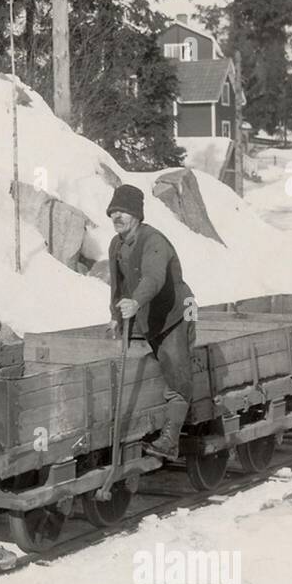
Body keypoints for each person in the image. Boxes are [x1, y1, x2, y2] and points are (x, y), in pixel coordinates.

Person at [105, 184, 196, 461]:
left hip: (174, 314)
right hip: (144, 314)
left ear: (137, 214)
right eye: (113, 211)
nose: (117, 216)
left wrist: (135, 302)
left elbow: (153, 278)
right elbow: (118, 286)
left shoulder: (154, 241)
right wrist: (114, 315)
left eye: (124, 211)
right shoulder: (116, 244)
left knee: (177, 375)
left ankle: (171, 441)